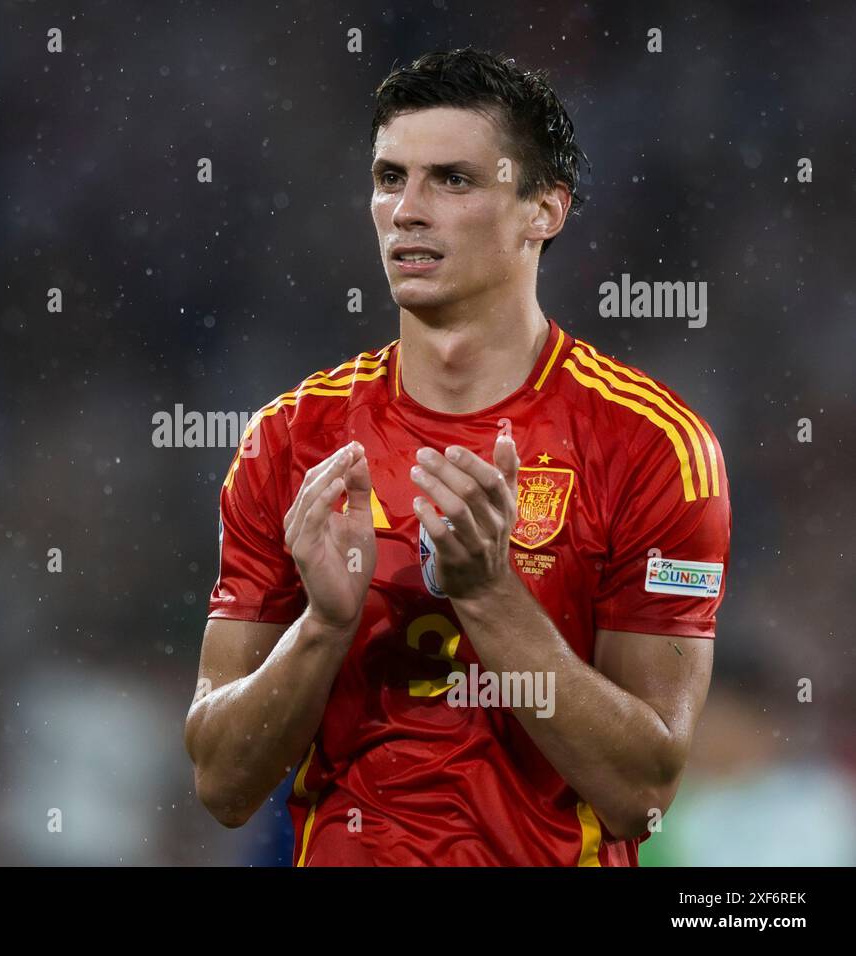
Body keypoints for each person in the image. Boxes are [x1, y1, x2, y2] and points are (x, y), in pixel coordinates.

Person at [184, 48, 732, 866]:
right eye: (388, 177)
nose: (405, 209)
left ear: (543, 211)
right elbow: (223, 786)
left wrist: (487, 595)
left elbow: (642, 795)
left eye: (452, 180)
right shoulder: (290, 439)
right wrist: (323, 626)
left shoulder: (653, 447)